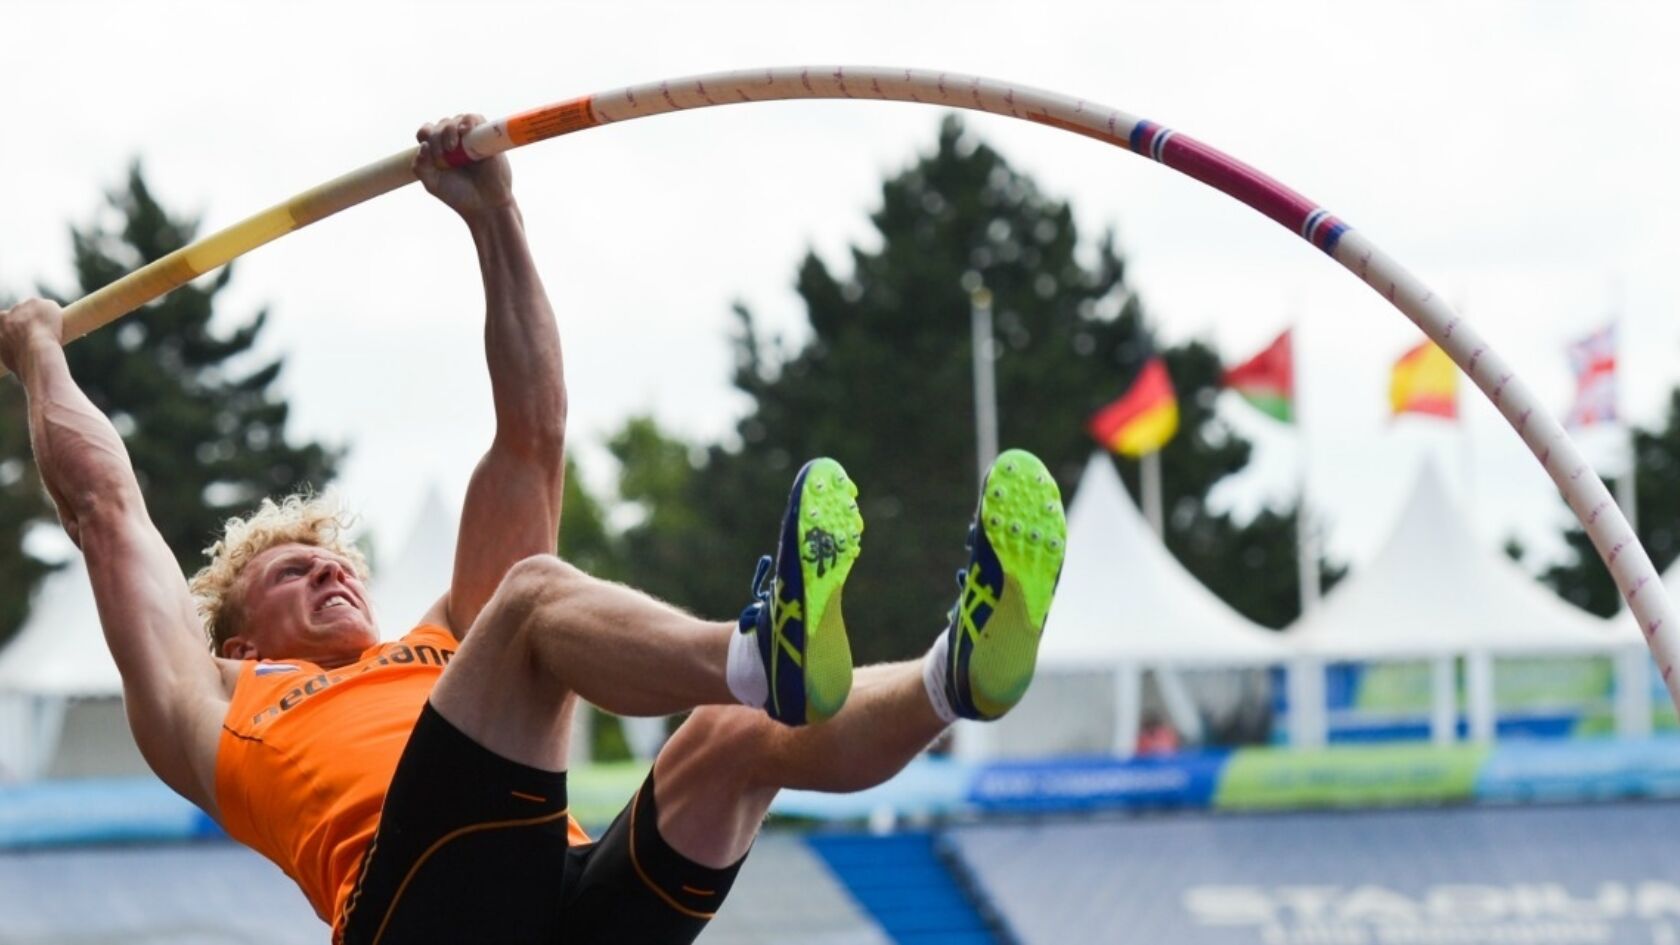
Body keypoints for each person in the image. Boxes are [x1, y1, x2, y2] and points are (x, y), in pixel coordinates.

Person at [0, 114, 1068, 945]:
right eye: (292, 572)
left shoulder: (447, 650)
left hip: (560, 905)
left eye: (335, 560)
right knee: (532, 601)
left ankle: (951, 677)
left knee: (736, 740)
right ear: (239, 637)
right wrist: (42, 351)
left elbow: (532, 435)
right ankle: (760, 653)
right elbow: (106, 512)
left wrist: (493, 216)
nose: (330, 570)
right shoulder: (208, 704)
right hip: (412, 921)